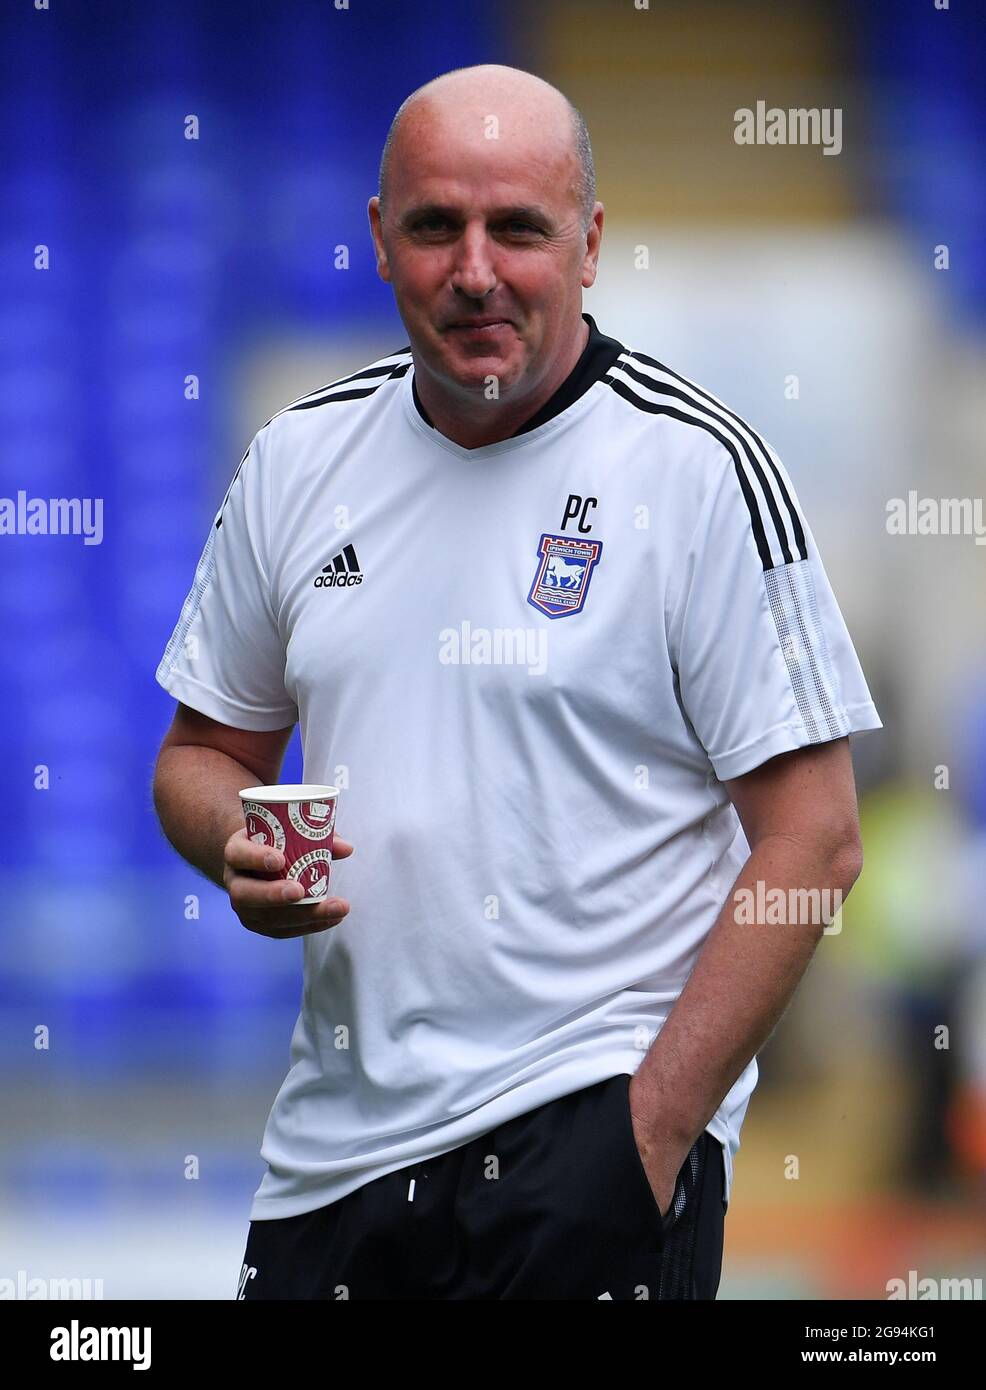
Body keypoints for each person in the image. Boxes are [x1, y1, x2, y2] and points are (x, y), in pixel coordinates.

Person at [152, 63, 882, 1300]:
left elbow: (811, 843)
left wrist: (652, 1133)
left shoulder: (696, 470)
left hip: (586, 1135)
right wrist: (237, 841)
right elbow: (198, 756)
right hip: (334, 1161)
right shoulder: (296, 460)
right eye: (436, 225)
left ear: (589, 243)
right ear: (381, 243)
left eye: (518, 228)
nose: (475, 269)